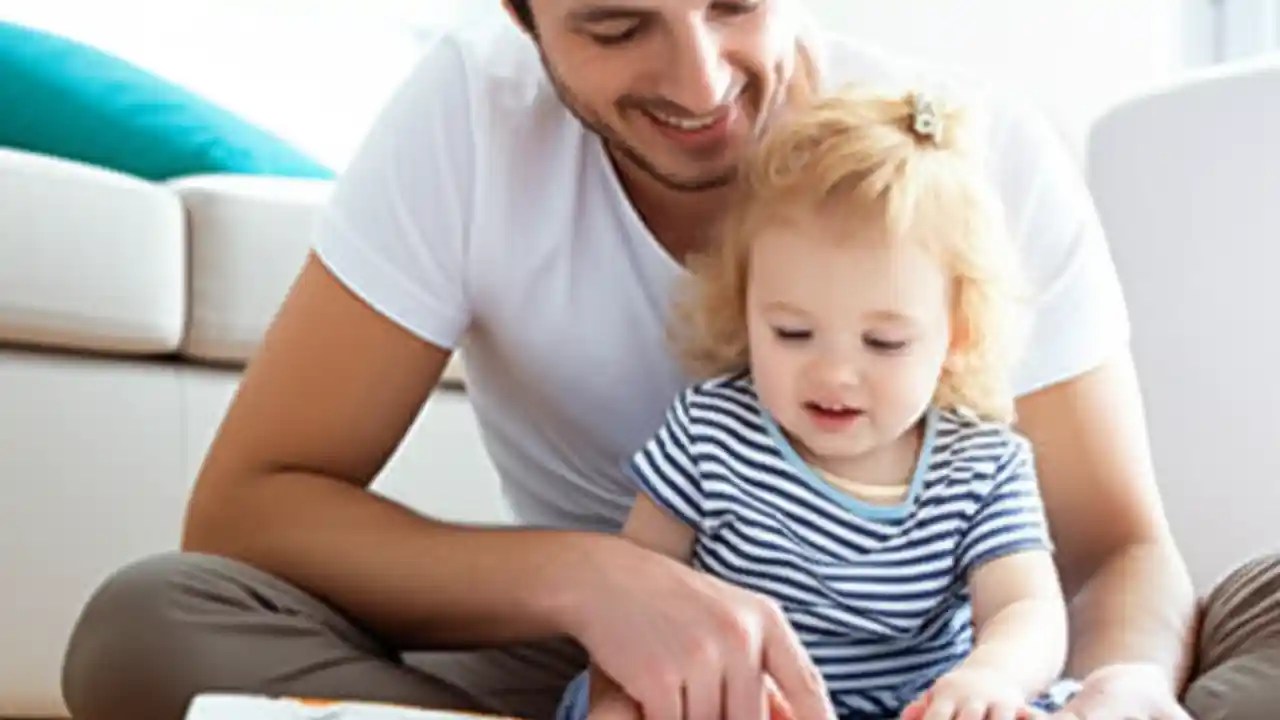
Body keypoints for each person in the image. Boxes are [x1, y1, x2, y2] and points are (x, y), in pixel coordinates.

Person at [60, 2, 1279, 720]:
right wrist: (595, 586)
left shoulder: (965, 154)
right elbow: (245, 508)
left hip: (939, 674)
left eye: (734, 1)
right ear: (520, 13)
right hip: (616, 676)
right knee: (147, 627)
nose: (700, 82)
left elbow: (1112, 548)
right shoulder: (465, 124)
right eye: (614, 23)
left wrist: (1118, 696)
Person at [555, 86, 1081, 720]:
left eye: (883, 342)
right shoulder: (710, 431)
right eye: (793, 333)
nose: (834, 373)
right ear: (742, 309)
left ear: (955, 338)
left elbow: (1027, 609)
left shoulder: (984, 467)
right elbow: (636, 595)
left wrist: (988, 679)